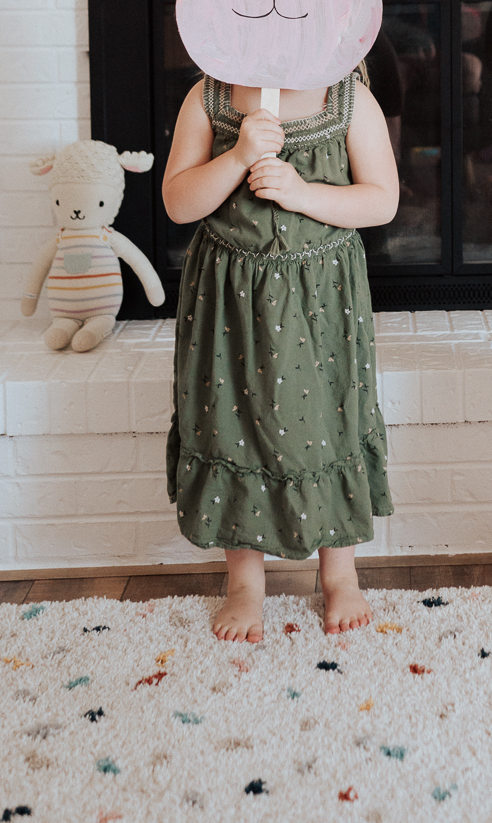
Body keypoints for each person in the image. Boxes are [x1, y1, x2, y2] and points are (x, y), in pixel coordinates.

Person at [162, 67, 399, 643]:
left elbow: (382, 201)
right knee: (233, 425)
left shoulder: (348, 100)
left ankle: (339, 574)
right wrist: (239, 155)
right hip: (230, 302)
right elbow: (177, 203)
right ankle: (244, 582)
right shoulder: (210, 98)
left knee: (328, 422)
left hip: (321, 301)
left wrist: (301, 193)